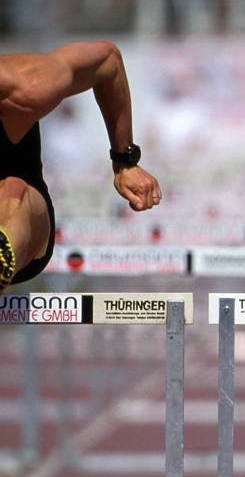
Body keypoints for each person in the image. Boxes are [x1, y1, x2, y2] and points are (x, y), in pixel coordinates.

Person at [0, 40, 161, 291]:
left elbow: (108, 60)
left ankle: (3, 255)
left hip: (23, 222)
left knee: (14, 189)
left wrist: (125, 162)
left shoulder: (24, 87)